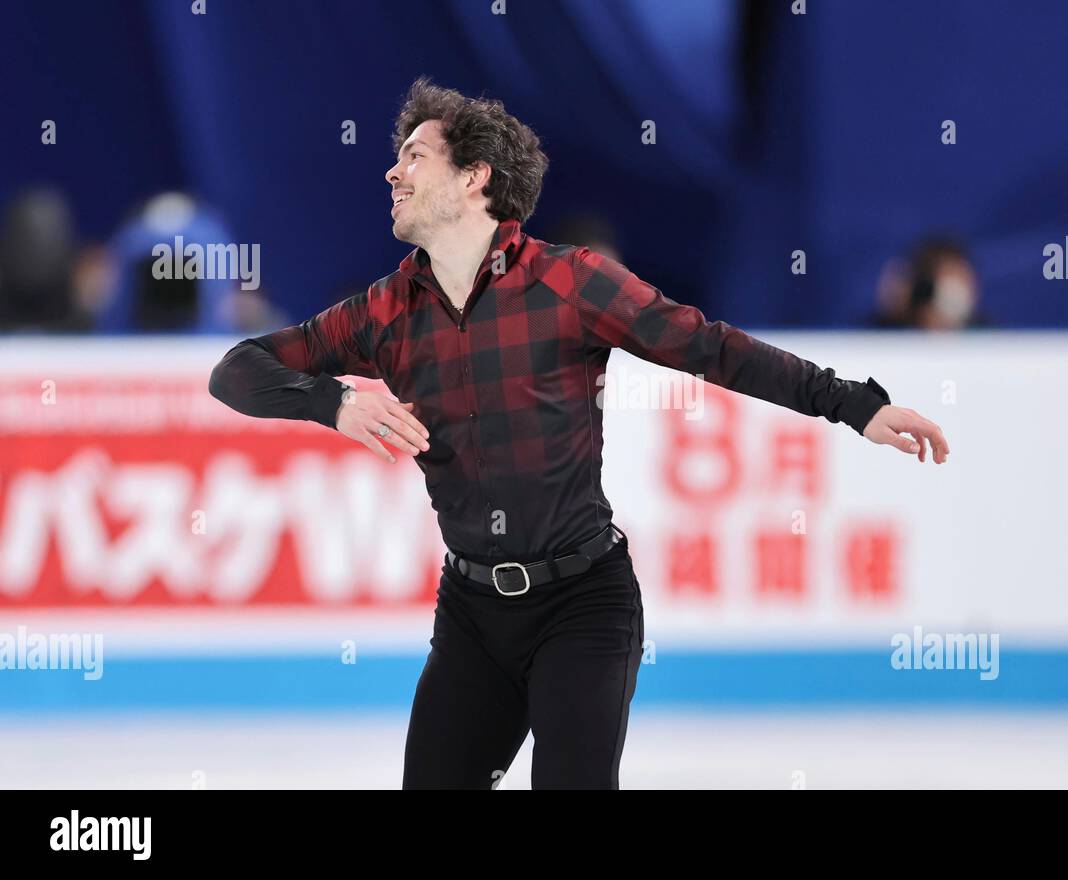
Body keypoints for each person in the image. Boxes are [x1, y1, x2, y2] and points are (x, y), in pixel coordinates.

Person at [207, 78, 950, 790]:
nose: (391, 170)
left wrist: (854, 404)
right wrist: (332, 401)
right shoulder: (386, 312)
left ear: (474, 178)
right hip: (471, 614)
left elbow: (714, 348)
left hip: (583, 604)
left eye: (414, 156)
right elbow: (237, 370)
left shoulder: (571, 284)